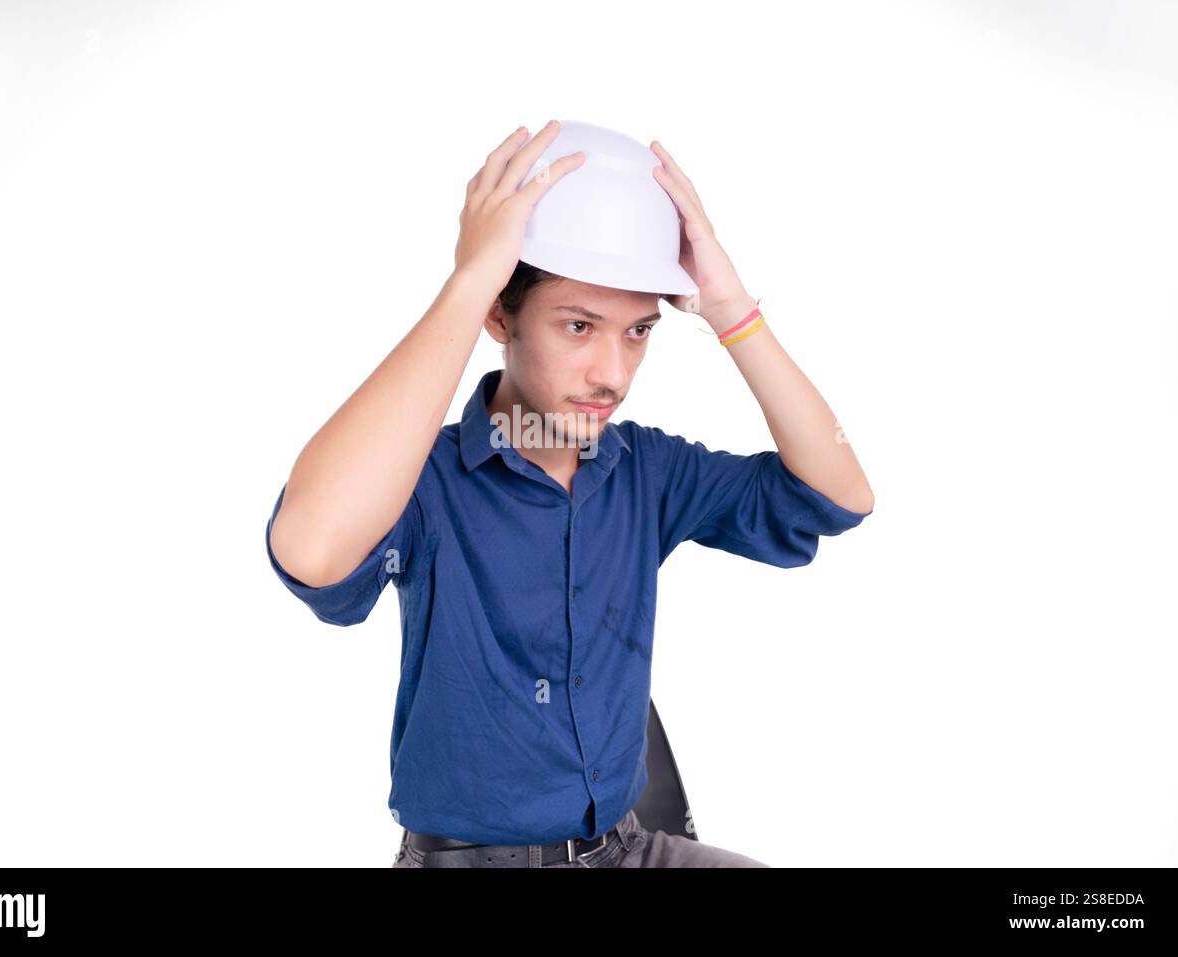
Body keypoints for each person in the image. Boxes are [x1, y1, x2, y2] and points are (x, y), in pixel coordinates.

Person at [265, 120, 875, 868]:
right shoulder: (425, 481)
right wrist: (466, 284)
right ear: (501, 314)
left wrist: (730, 307)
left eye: (638, 332)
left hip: (627, 850)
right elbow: (313, 549)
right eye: (580, 326)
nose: (612, 373)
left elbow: (840, 494)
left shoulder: (647, 470)